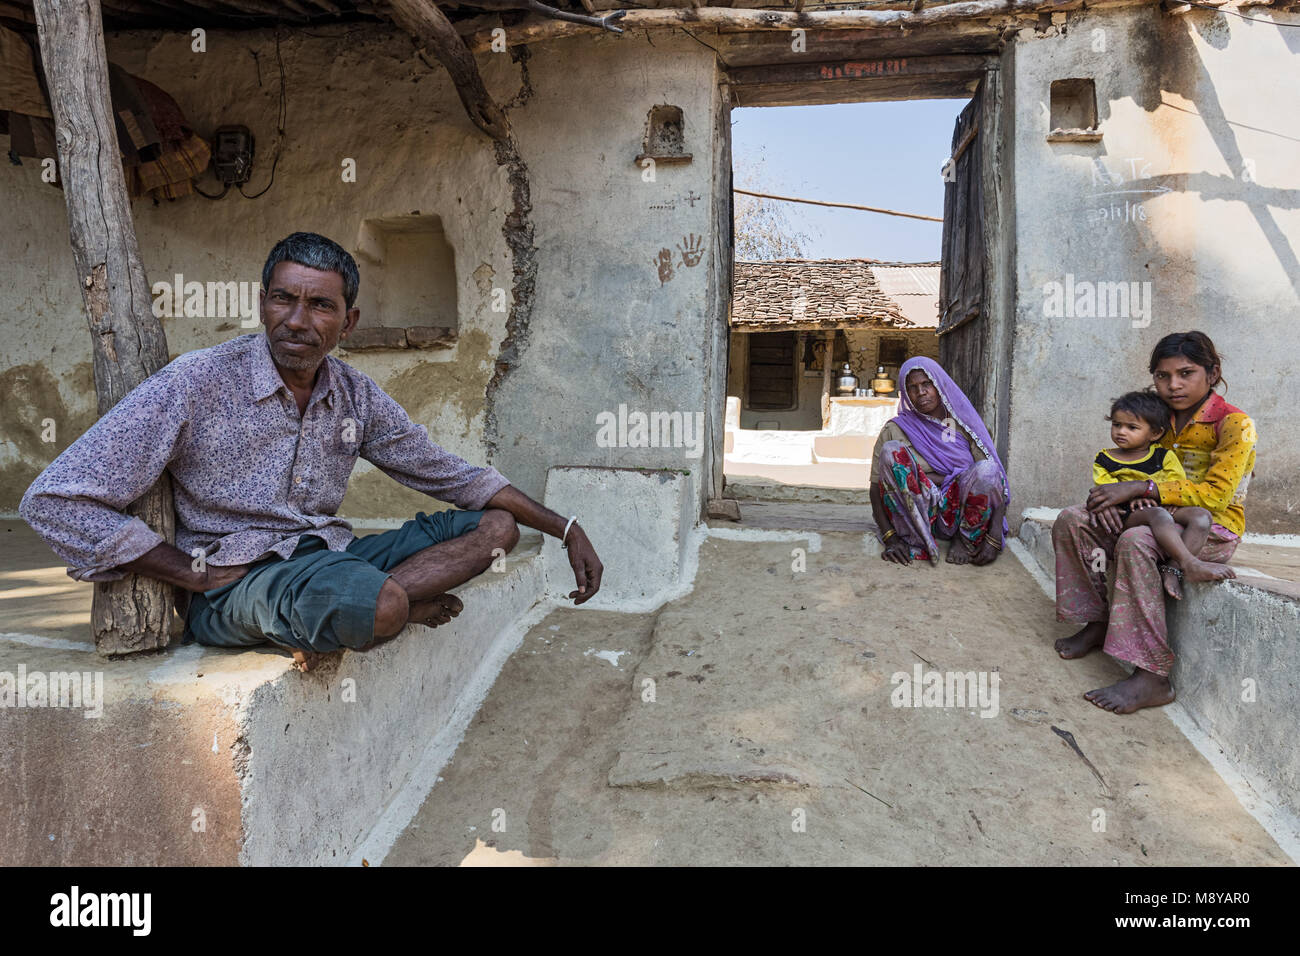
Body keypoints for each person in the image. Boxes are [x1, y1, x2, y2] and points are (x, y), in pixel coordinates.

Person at [20, 232, 604, 672]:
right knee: (380, 606)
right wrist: (188, 573)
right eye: (284, 300)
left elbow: (454, 477)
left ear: (348, 321)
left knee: (496, 527)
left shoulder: (353, 394)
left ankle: (381, 601)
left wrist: (566, 527)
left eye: (320, 306)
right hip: (241, 583)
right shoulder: (195, 383)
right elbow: (54, 499)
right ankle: (383, 605)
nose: (297, 321)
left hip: (328, 554)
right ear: (262, 304)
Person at [1052, 331, 1255, 714]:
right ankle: (1097, 620)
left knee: (1138, 541)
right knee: (1072, 520)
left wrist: (1139, 488)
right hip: (1146, 513)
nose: (1173, 385)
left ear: (1212, 374)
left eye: (1186, 373)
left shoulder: (1233, 424)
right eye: (1163, 375)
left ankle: (1152, 676)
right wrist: (1108, 500)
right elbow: (1121, 462)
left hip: (1209, 526)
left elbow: (1215, 496)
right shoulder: (1153, 412)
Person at [869, 356, 1011, 567]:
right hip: (915, 516)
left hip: (960, 511)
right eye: (912, 387)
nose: (921, 392)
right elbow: (875, 488)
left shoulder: (963, 424)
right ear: (905, 393)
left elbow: (994, 479)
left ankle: (965, 540)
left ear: (939, 384)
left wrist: (994, 536)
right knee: (892, 451)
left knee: (987, 469)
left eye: (927, 384)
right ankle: (914, 538)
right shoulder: (895, 429)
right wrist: (890, 537)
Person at [1092, 390, 1222, 598]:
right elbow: (1108, 490)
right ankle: (1189, 562)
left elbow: (1177, 483)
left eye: (1131, 427)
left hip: (1161, 504)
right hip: (1129, 513)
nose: (1121, 432)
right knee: (1159, 515)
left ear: (1154, 433)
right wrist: (1135, 498)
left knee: (1201, 517)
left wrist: (1158, 496)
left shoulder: (1164, 456)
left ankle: (1172, 569)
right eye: (1117, 425)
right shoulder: (1105, 458)